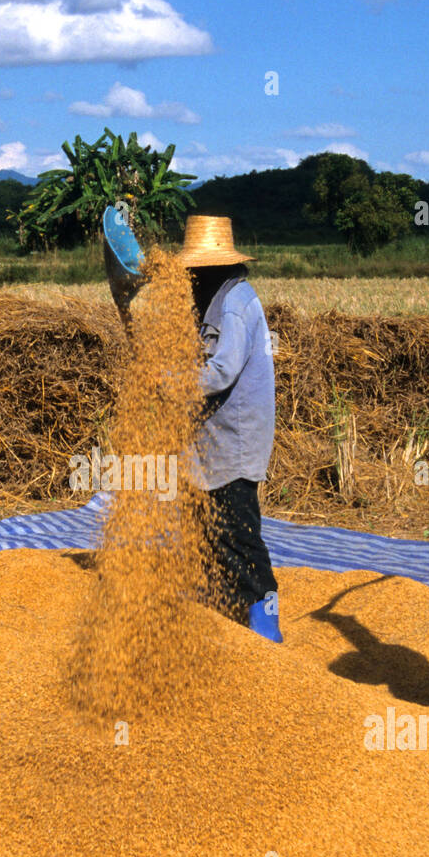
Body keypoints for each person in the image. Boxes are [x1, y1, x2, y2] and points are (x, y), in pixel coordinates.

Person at [177, 215, 282, 642]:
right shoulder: (210, 299)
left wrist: (171, 385)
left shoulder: (236, 302)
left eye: (194, 270)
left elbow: (220, 372)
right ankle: (222, 613)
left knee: (240, 534)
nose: (189, 276)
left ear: (213, 266)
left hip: (236, 439)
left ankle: (266, 624)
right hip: (211, 439)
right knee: (209, 530)